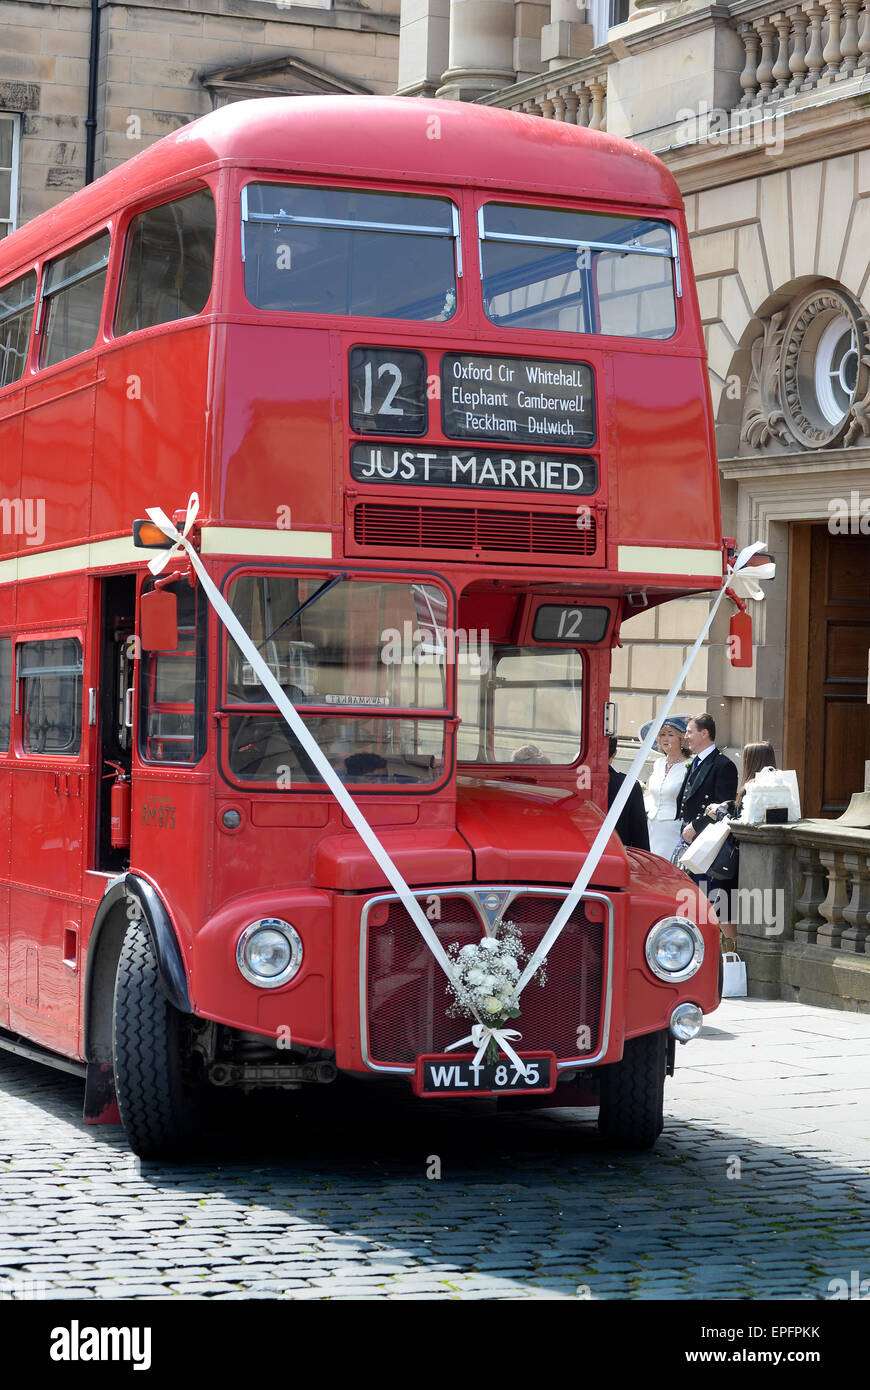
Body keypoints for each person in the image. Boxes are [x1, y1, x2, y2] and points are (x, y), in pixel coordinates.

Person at [702, 740, 777, 930]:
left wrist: (719, 811)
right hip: (763, 860)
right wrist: (729, 803)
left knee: (723, 913)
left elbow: (739, 824)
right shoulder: (776, 783)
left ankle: (731, 955)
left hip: (736, 861)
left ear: (750, 760)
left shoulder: (750, 787)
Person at [641, 715, 690, 860]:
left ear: (681, 739)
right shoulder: (658, 763)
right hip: (653, 825)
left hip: (674, 827)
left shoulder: (690, 765)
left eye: (670, 735)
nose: (665, 739)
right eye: (662, 735)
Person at [607, 734, 650, 851]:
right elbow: (639, 834)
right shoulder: (628, 785)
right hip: (617, 854)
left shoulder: (574, 782)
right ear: (614, 753)